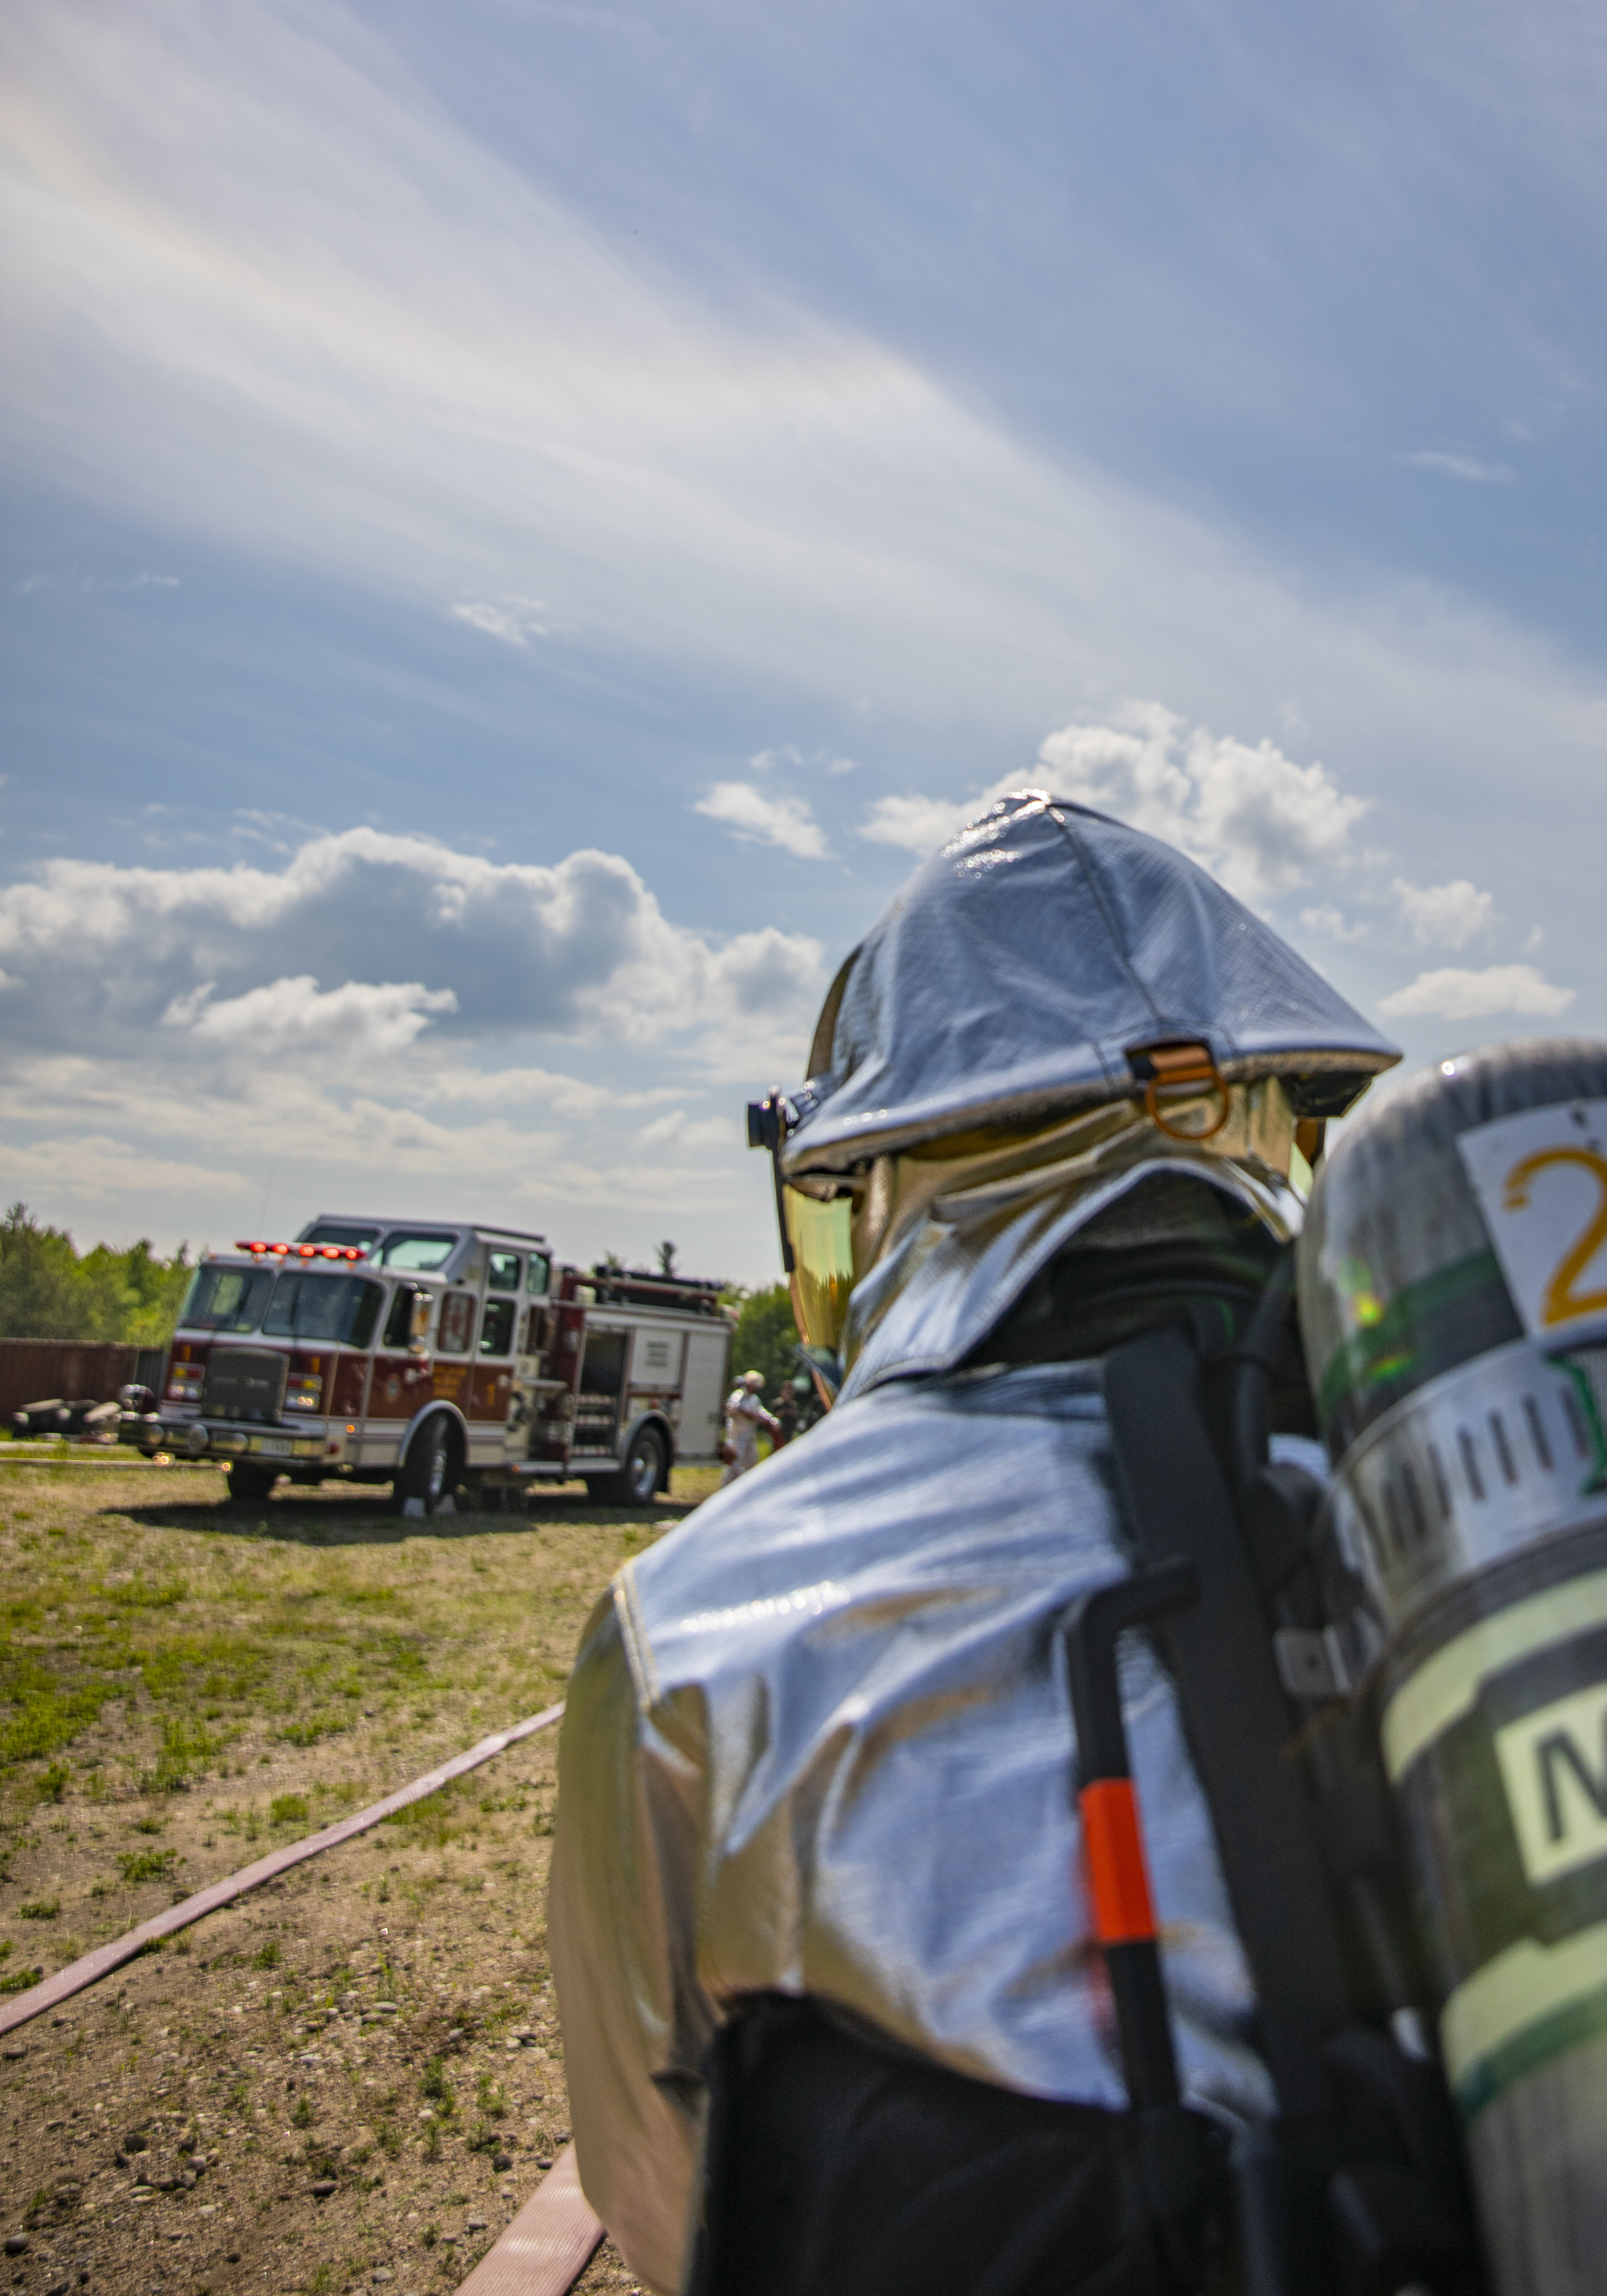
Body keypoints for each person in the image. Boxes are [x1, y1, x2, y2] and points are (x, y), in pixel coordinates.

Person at [547, 791, 1400, 2296]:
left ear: (886, 1182)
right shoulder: (1508, 1505)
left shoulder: (688, 1629)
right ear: (1275, 1131)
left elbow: (661, 2191)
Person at [718, 1368, 782, 1481]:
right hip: (737, 1437)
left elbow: (760, 1411)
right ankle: (726, 1489)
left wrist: (771, 1420)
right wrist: (750, 1416)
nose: (756, 1389)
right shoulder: (738, 1395)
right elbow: (732, 1408)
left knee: (752, 1463)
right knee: (735, 1465)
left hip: (749, 1437)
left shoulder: (754, 1399)